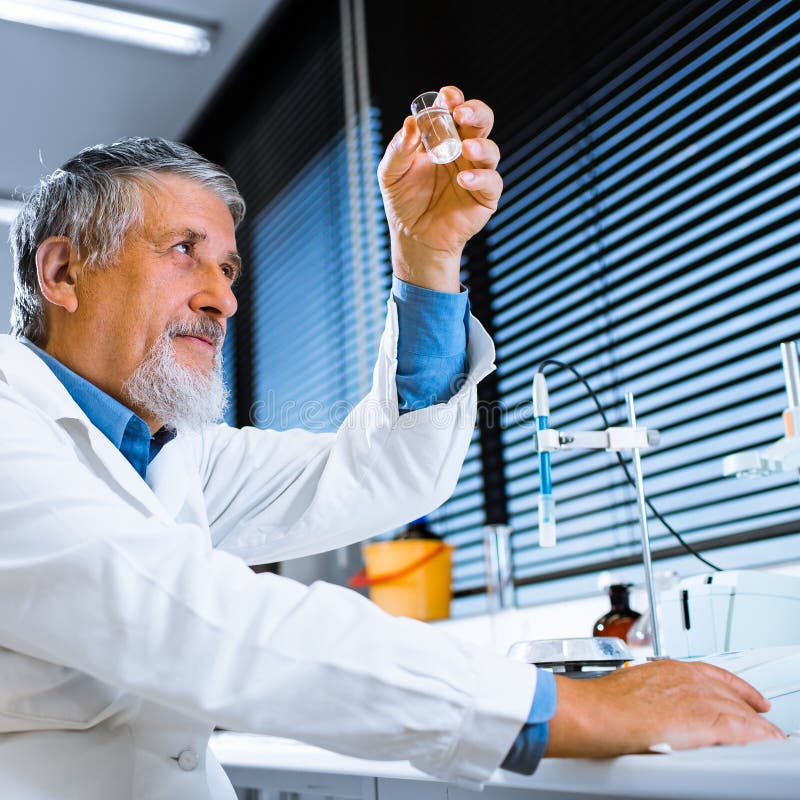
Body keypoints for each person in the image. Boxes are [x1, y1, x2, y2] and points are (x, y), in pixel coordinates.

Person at [0, 86, 783, 800]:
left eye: (229, 265)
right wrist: (560, 708)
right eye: (184, 252)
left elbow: (374, 473)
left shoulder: (168, 453)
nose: (225, 298)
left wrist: (427, 253)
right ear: (65, 273)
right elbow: (187, 617)